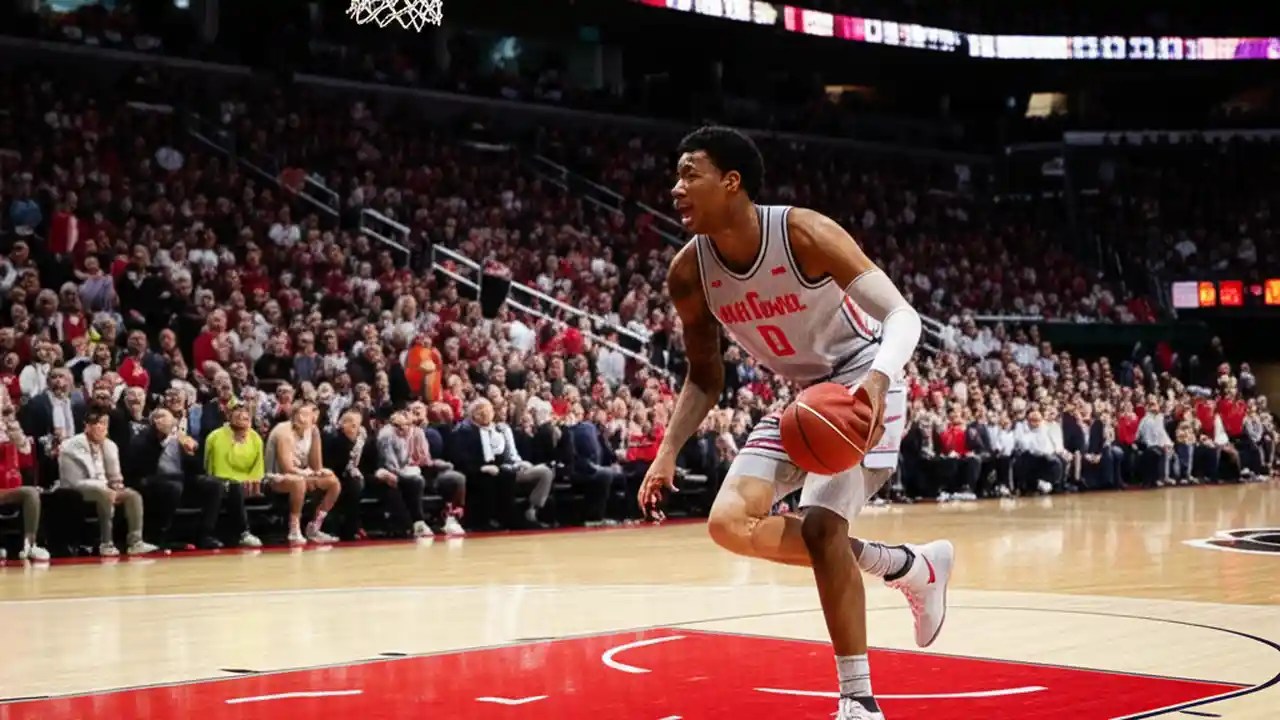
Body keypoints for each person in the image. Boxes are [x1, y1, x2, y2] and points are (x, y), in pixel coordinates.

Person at [638, 126, 953, 720]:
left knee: (821, 528)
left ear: (731, 182)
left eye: (689, 175)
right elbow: (706, 376)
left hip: (862, 378)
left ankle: (859, 703)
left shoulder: (802, 232)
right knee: (728, 524)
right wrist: (667, 448)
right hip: (806, 400)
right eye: (676, 176)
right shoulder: (689, 273)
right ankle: (908, 565)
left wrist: (878, 382)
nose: (675, 188)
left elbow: (903, 318)